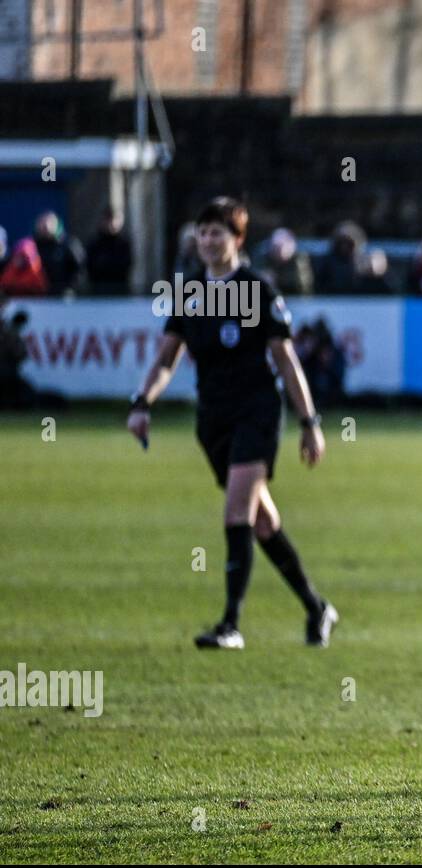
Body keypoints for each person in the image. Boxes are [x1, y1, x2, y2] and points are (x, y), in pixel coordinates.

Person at [127, 197, 337, 650]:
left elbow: (285, 360)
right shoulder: (190, 292)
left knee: (236, 512)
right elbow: (167, 357)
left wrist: (309, 421)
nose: (207, 240)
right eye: (202, 232)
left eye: (217, 232)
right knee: (262, 524)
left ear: (237, 239)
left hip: (256, 411)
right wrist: (143, 401)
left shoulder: (258, 290)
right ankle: (317, 607)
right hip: (213, 418)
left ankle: (231, 624)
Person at [32, 211, 84, 295]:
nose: (46, 227)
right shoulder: (32, 246)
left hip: (64, 295)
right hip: (39, 294)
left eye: (50, 223)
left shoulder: (69, 244)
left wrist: (71, 288)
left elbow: (80, 269)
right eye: (43, 223)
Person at [84, 207, 133, 294]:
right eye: (108, 219)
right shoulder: (94, 244)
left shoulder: (124, 244)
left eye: (115, 219)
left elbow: (126, 266)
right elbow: (90, 267)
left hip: (120, 292)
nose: (112, 223)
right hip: (98, 292)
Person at [256, 227, 314, 296]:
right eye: (275, 247)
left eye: (281, 246)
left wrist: (278, 279)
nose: (278, 251)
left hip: (296, 300)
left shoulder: (299, 260)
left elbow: (303, 287)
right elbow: (254, 290)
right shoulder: (262, 258)